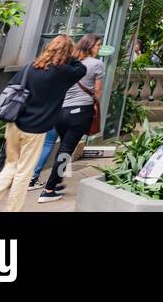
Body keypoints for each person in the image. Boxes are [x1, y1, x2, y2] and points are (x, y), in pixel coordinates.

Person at [0, 35, 84, 212]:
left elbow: (12, 87)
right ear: (67, 53)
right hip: (35, 129)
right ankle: (12, 210)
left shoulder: (31, 67)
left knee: (10, 166)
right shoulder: (63, 73)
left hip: (14, 124)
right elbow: (81, 69)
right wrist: (69, 54)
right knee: (23, 173)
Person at [38, 33, 104, 202]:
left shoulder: (67, 61)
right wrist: (96, 101)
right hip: (80, 112)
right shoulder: (97, 64)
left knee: (63, 149)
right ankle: (48, 190)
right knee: (66, 150)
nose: (100, 48)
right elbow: (97, 92)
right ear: (90, 46)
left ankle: (56, 180)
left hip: (60, 112)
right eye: (98, 45)